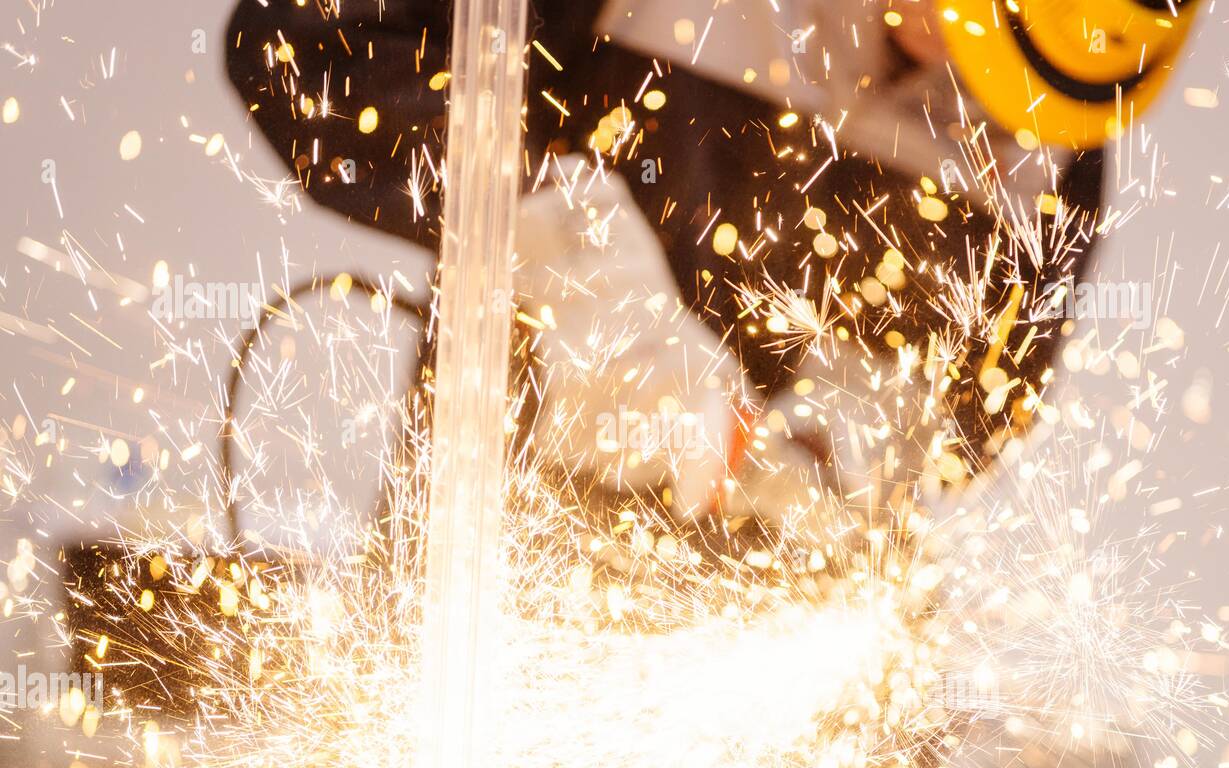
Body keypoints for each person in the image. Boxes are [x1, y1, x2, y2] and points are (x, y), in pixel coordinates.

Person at [225, 0, 1103, 527]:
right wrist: (554, 246)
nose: (966, 84)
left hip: (802, 650)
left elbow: (981, 404)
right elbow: (306, 45)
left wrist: (844, 451)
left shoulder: (1074, 94)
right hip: (500, 572)